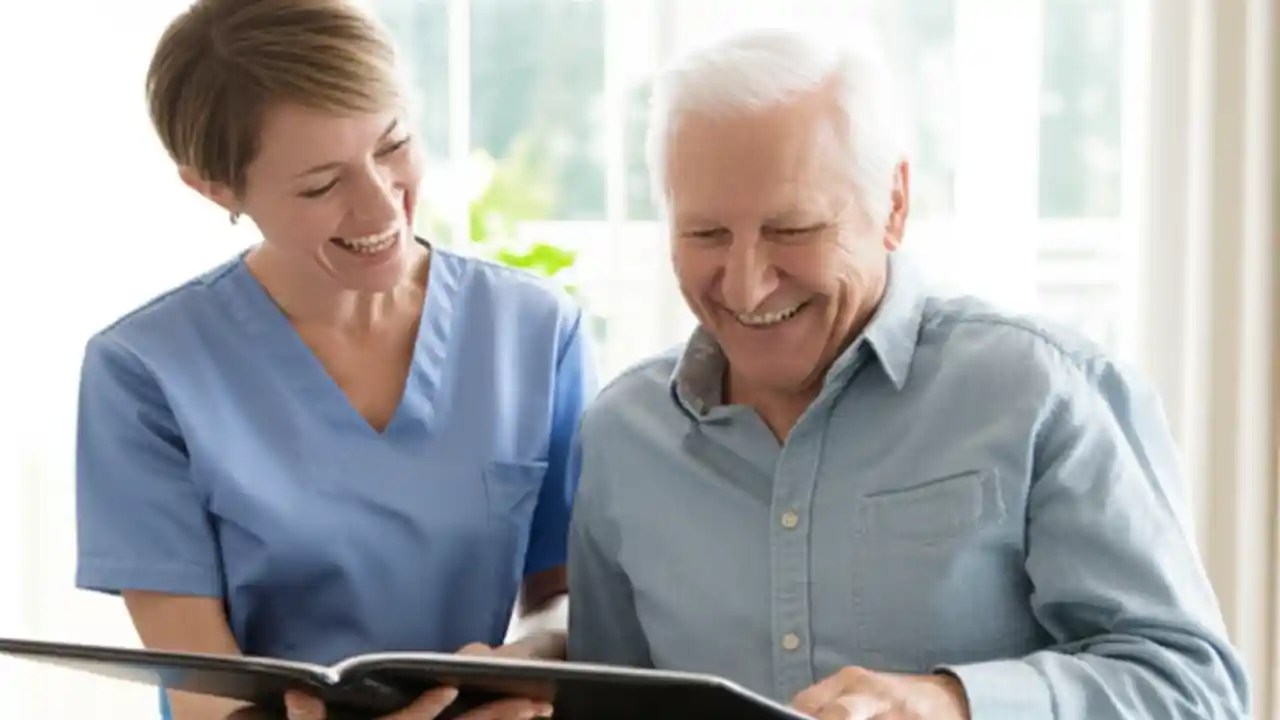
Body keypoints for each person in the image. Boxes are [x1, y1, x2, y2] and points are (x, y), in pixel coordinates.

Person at [566, 26, 1250, 720]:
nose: (745, 287)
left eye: (792, 229)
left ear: (893, 203)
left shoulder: (1043, 392)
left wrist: (955, 702)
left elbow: (1194, 691)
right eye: (706, 235)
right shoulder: (623, 437)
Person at [73, 1, 595, 719]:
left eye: (394, 146)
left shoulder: (536, 330)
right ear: (216, 188)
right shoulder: (143, 374)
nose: (381, 207)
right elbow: (199, 680)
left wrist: (517, 667)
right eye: (322, 185)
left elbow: (564, 597)